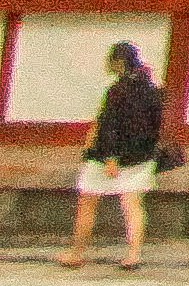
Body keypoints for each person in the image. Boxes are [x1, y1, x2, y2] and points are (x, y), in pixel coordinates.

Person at [61, 42, 168, 270]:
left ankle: (76, 252)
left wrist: (111, 156)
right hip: (141, 156)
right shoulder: (152, 90)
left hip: (107, 156)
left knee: (88, 202)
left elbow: (109, 125)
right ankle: (134, 254)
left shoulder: (117, 91)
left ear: (117, 63)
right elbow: (154, 126)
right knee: (133, 205)